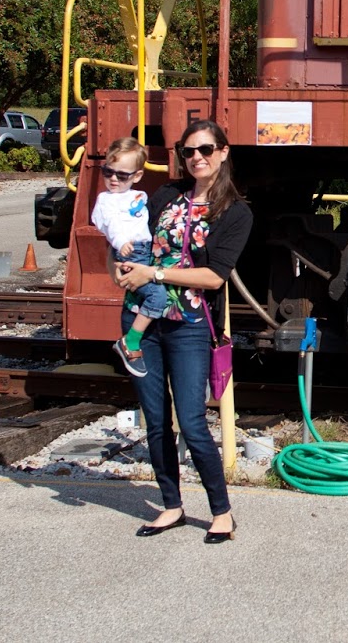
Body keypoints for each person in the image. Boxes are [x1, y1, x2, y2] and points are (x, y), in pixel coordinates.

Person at [114, 119, 251, 544]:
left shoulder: (235, 211)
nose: (197, 158)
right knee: (155, 422)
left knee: (192, 421)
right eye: (188, 151)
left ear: (224, 152)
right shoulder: (165, 196)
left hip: (190, 325)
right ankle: (171, 506)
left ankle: (221, 512)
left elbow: (213, 277)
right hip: (142, 321)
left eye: (206, 149)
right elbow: (134, 239)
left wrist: (153, 272)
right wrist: (122, 264)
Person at [93, 138, 156, 376]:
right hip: (131, 250)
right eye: (108, 172)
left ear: (137, 176)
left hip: (144, 249)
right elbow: (108, 224)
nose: (113, 179)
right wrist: (119, 243)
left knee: (153, 294)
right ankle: (130, 341)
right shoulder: (106, 199)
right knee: (157, 297)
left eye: (122, 175)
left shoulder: (137, 196)